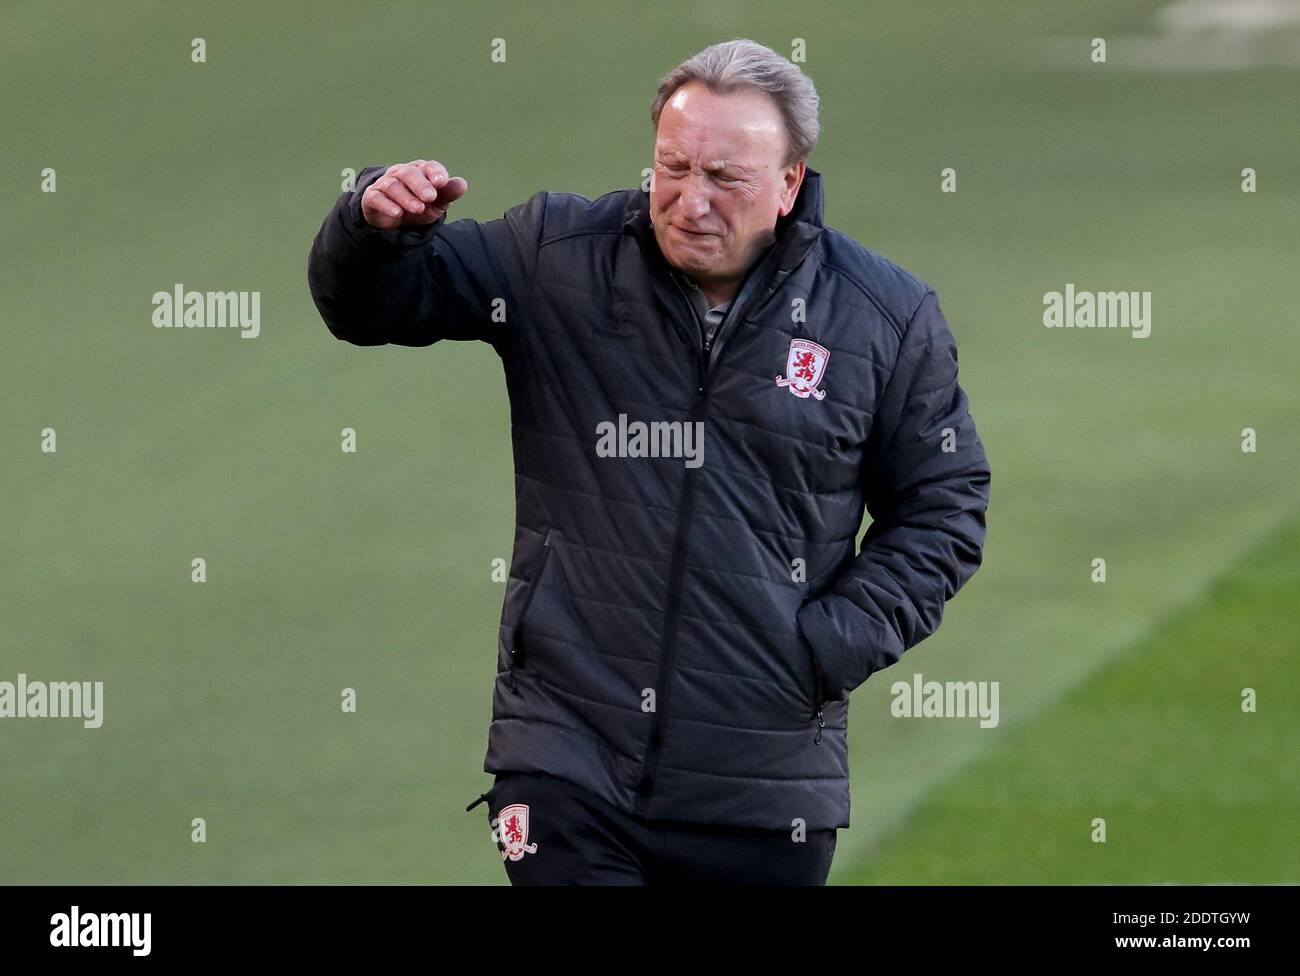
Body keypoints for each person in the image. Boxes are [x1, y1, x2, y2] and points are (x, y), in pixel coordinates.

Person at [307, 38, 991, 885]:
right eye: (672, 166)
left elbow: (945, 506)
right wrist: (374, 229)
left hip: (760, 781)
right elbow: (376, 307)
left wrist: (820, 647)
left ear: (788, 183)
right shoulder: (556, 256)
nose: (689, 201)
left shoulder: (882, 320)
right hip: (566, 756)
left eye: (724, 178)